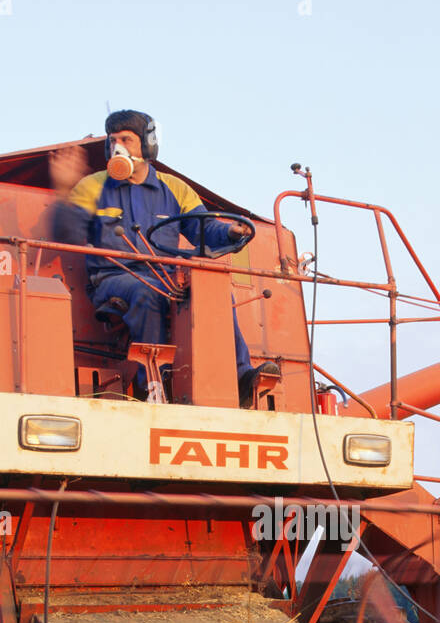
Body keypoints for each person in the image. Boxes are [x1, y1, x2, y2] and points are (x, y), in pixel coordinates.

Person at [49, 109, 278, 406]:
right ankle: (153, 389)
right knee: (149, 293)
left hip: (165, 275)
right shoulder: (92, 185)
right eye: (112, 140)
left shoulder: (176, 188)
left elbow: (203, 231)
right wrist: (64, 189)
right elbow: (65, 234)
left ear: (147, 145)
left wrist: (232, 233)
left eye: (126, 140)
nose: (116, 147)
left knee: (216, 291)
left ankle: (242, 378)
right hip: (112, 278)